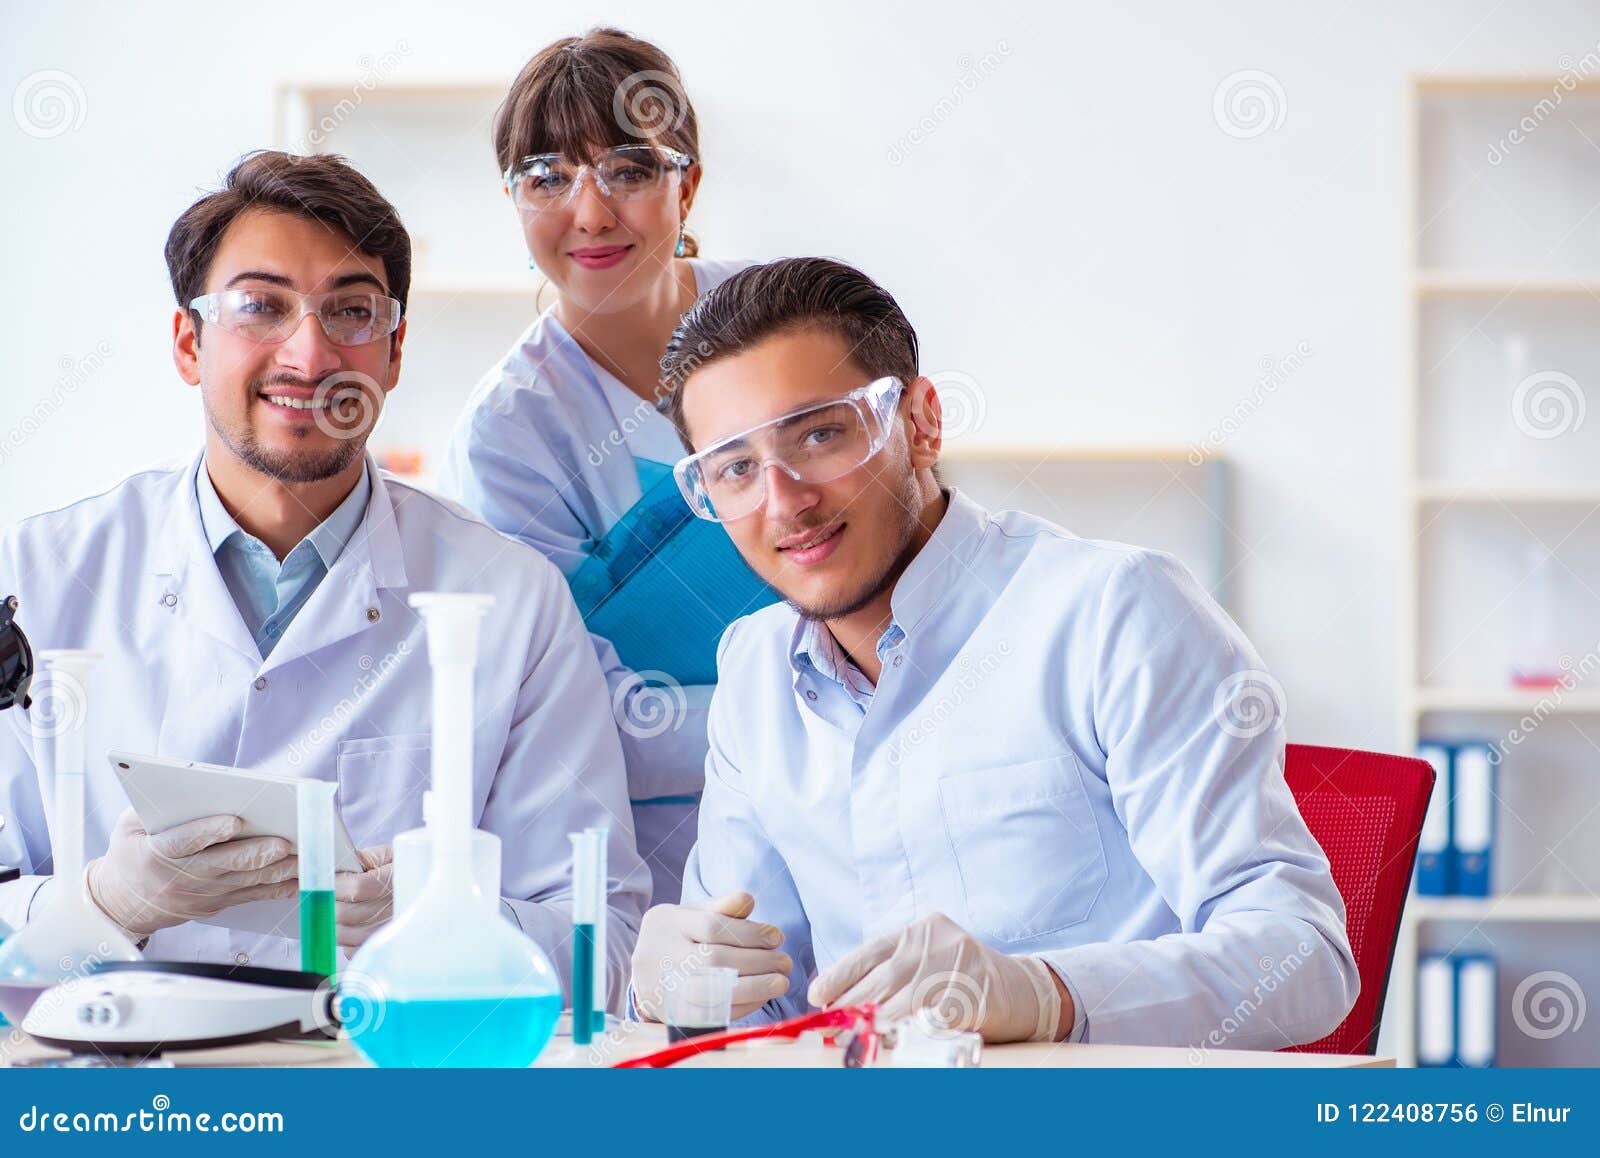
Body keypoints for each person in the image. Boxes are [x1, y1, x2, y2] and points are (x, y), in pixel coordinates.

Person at [628, 258, 1359, 1046]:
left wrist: (1047, 996)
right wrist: (674, 991)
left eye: (820, 434)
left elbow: (1305, 958)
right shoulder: (754, 669)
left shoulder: (1114, 612)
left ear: (921, 424)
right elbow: (761, 1002)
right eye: (736, 468)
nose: (785, 501)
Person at [0, 151, 646, 1006]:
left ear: (393, 350)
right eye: (260, 306)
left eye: (350, 311)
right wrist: (104, 904)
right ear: (190, 343)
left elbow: (605, 944)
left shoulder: (511, 600)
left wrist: (441, 917)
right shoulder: (43, 578)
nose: (309, 354)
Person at [436, 29, 767, 906]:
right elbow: (575, 712)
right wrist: (816, 715)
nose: (590, 213)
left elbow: (901, 557)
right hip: (667, 858)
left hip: (863, 814)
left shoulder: (788, 322)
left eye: (629, 169)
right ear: (513, 201)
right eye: (546, 176)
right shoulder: (511, 435)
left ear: (685, 184)